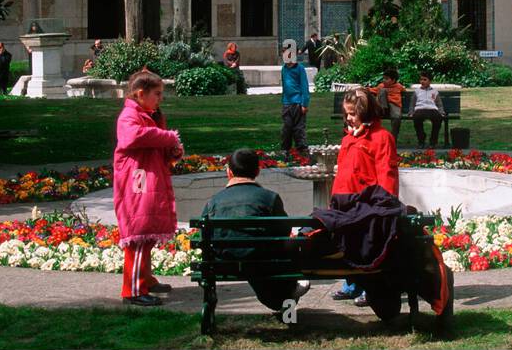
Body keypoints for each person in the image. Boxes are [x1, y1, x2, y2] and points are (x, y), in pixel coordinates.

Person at [200, 148, 311, 313]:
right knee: (287, 250)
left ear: (229, 172)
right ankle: (287, 306)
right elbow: (284, 230)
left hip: (225, 263)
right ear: (258, 171)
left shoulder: (214, 202)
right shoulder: (269, 198)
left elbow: (205, 234)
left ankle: (284, 304)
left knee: (264, 263)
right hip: (263, 260)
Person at [113, 69, 183, 306]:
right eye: (157, 94)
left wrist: (173, 150)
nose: (160, 98)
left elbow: (157, 145)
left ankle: (145, 278)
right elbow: (132, 138)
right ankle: (133, 290)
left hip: (147, 179)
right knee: (139, 234)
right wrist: (168, 137)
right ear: (140, 94)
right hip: (137, 181)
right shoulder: (129, 116)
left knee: (147, 232)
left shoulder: (148, 115)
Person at [330, 87, 399, 306]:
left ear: (366, 113)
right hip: (344, 200)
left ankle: (370, 287)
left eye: (352, 113)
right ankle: (351, 284)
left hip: (367, 204)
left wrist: (385, 203)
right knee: (347, 243)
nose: (348, 118)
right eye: (346, 114)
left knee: (366, 245)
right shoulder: (350, 137)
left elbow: (386, 173)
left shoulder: (381, 138)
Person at [279, 46, 310, 160]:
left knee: (299, 129)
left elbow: (304, 87)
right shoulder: (284, 69)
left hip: (298, 103)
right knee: (287, 128)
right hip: (287, 103)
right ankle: (285, 150)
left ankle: (302, 152)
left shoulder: (300, 68)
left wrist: (304, 103)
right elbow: (284, 86)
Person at [411, 71, 445, 149]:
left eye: (425, 79)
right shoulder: (417, 91)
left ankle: (433, 141)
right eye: (421, 80)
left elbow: (439, 104)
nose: (422, 81)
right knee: (417, 118)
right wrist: (411, 112)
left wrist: (441, 112)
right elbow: (412, 104)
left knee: (438, 118)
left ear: (430, 81)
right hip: (420, 109)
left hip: (432, 109)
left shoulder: (434, 91)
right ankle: (421, 140)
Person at [376, 67, 405, 144]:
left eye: (386, 79)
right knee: (382, 91)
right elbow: (374, 90)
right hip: (383, 106)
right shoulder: (381, 86)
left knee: (397, 118)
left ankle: (393, 139)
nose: (384, 80)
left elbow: (403, 90)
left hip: (394, 105)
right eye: (384, 78)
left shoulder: (399, 86)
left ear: (393, 80)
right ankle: (383, 110)